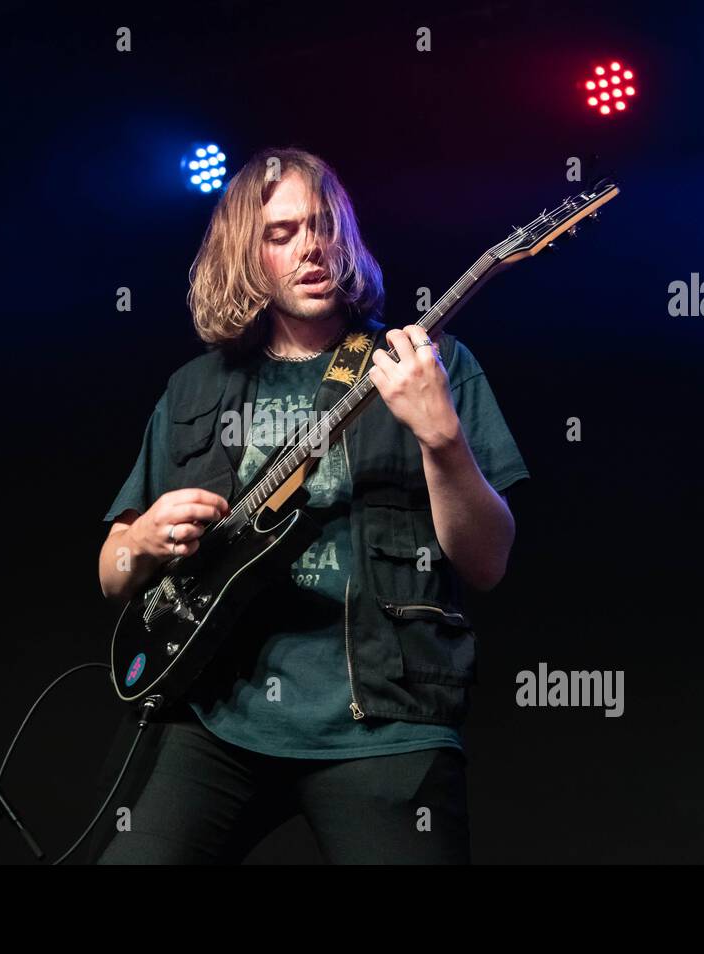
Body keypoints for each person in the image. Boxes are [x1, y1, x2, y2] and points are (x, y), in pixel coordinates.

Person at [91, 147, 528, 864]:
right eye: (282, 233)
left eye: (324, 226)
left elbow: (486, 562)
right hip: (215, 716)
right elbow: (111, 573)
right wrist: (140, 540)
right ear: (245, 251)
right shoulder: (194, 390)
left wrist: (442, 439)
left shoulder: (424, 364)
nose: (311, 247)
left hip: (384, 722)